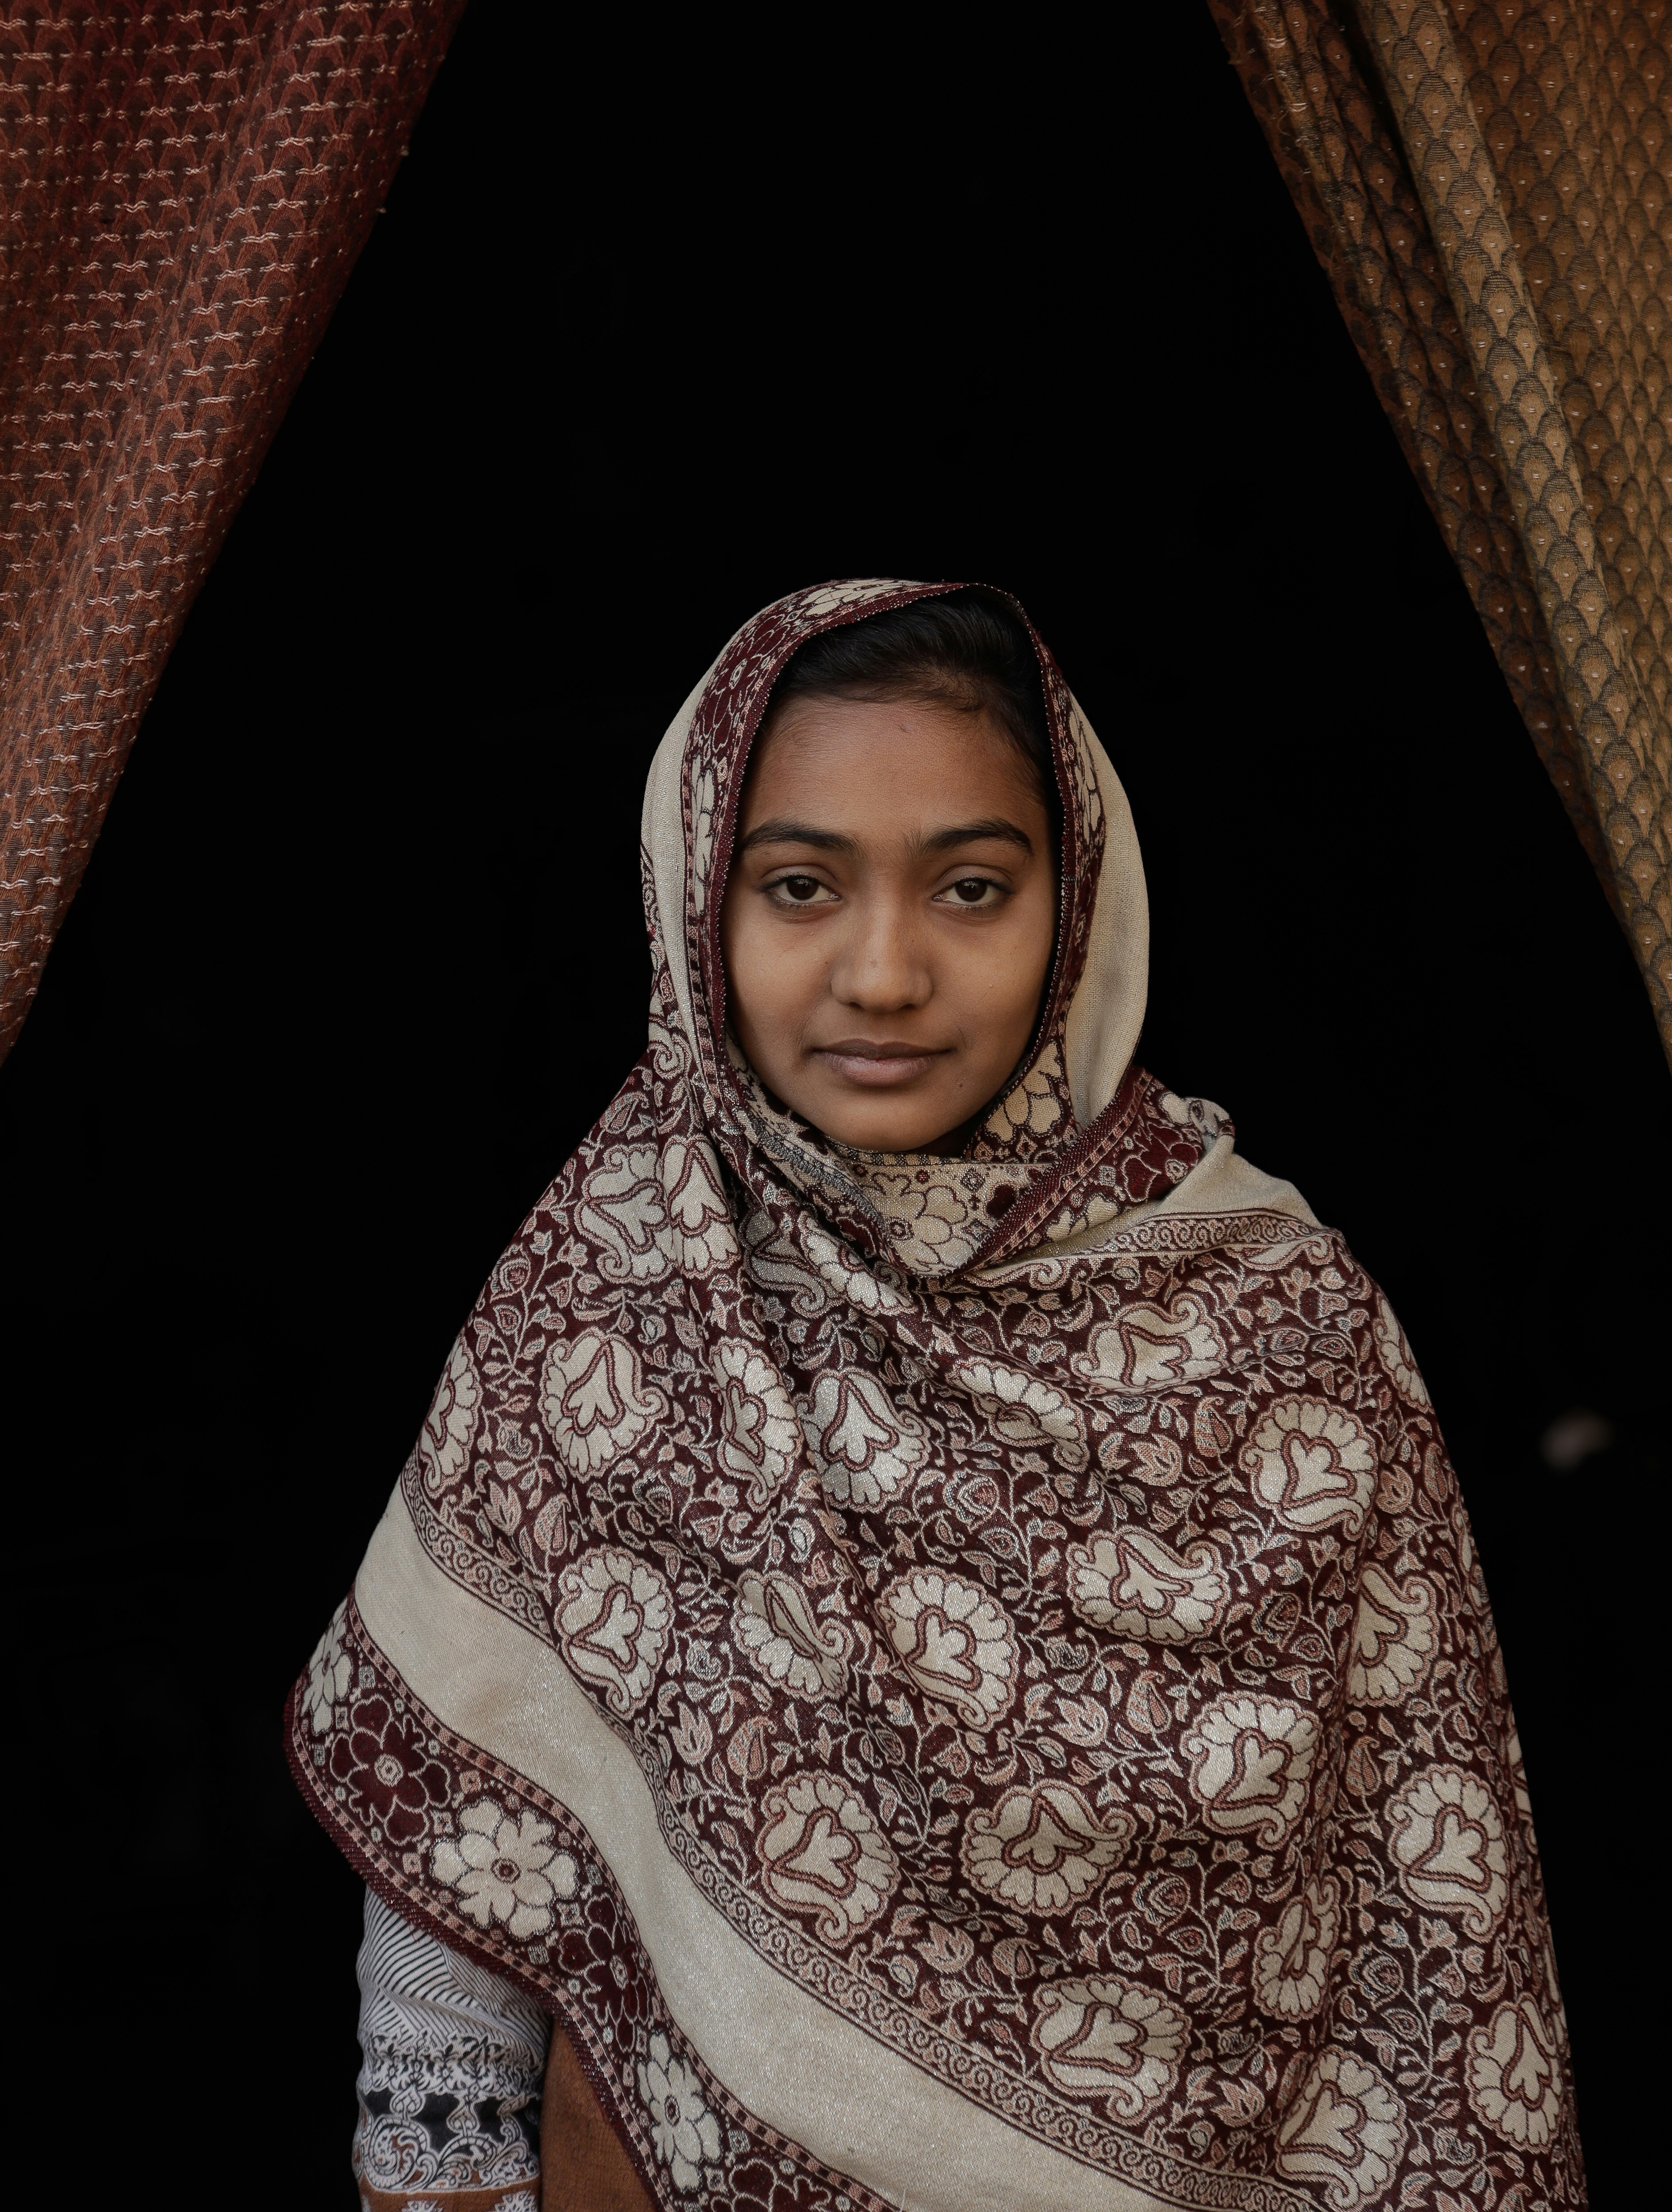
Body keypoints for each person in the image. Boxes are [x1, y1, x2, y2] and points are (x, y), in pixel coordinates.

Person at [291, 579, 1583, 2212]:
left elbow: (1425, 1903)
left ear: (1080, 898)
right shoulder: (617, 1290)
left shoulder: (1283, 1318)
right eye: (800, 887)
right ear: (696, 901)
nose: (884, 971)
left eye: (970, 887)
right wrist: (439, 2175)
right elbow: (469, 1819)